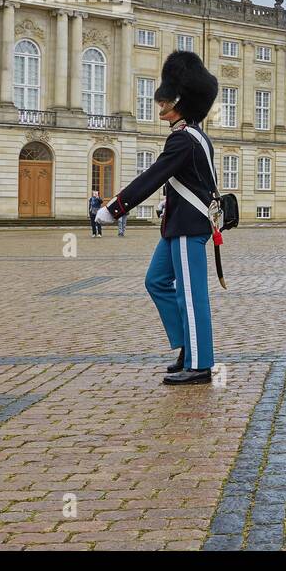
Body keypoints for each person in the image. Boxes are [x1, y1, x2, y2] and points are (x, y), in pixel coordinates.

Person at [97, 50, 222, 386]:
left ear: (178, 101)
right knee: (156, 281)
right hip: (177, 224)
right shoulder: (189, 136)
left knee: (191, 294)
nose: (160, 105)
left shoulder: (184, 138)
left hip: (188, 227)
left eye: (165, 99)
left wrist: (115, 208)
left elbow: (152, 176)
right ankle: (187, 347)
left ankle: (200, 363)